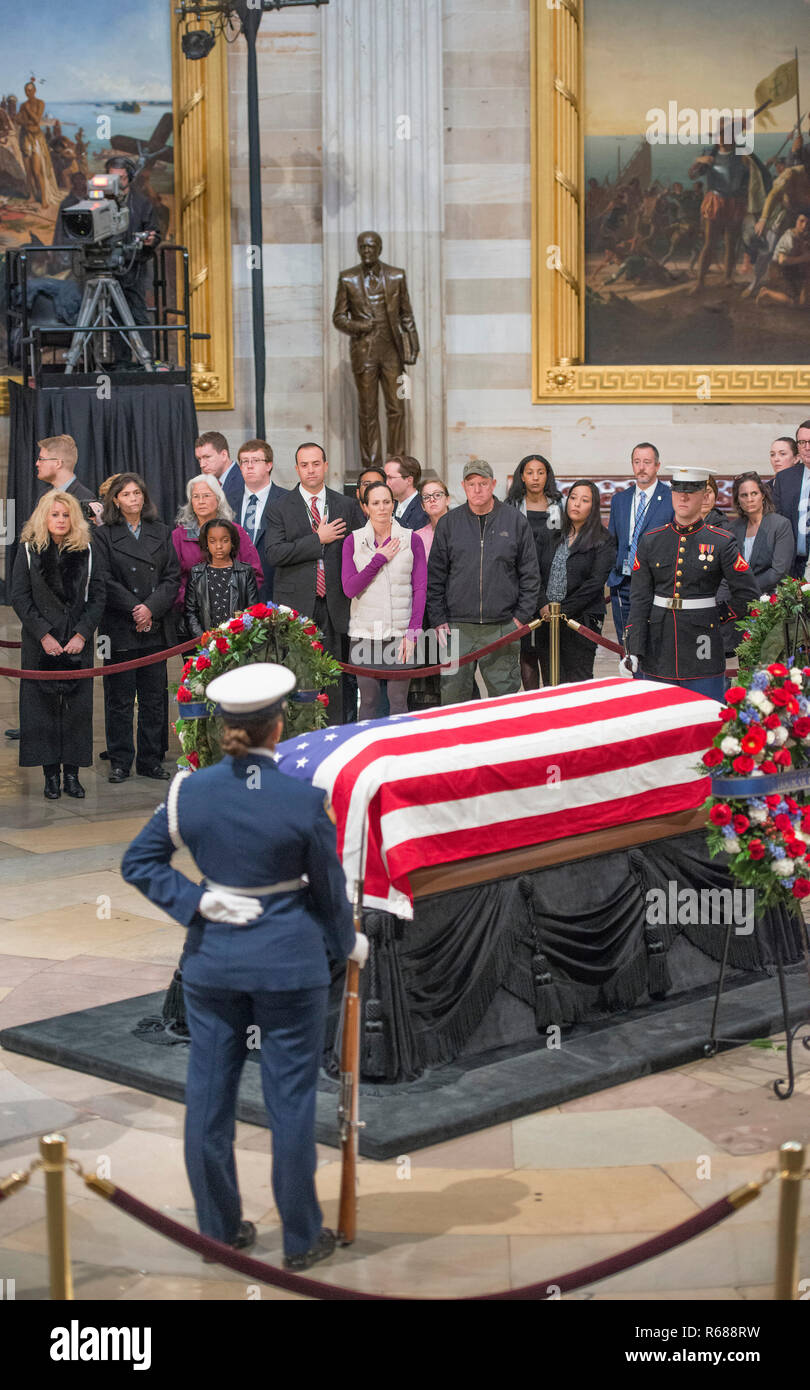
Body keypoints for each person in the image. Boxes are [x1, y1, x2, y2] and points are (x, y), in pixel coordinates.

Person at [121, 664, 366, 1267]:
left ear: (223, 727)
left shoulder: (189, 791)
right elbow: (330, 891)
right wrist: (346, 943)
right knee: (290, 1104)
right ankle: (302, 1240)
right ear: (277, 727)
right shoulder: (304, 800)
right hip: (289, 965)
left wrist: (197, 900)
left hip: (215, 966)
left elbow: (139, 863)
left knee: (207, 1099)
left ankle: (217, 1231)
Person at [622, 468, 759, 702]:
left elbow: (748, 594)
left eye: (691, 491)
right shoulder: (651, 541)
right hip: (659, 642)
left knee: (704, 716)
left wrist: (720, 616)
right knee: (659, 717)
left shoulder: (720, 541)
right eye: (678, 490)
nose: (683, 497)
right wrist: (633, 649)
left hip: (702, 643)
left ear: (704, 497)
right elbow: (639, 599)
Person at [11, 492, 105, 800]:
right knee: (41, 710)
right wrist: (44, 634)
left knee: (77, 710)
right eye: (55, 515)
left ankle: (73, 775)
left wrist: (81, 634)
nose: (61, 520)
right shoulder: (28, 550)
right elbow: (20, 597)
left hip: (77, 642)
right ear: (44, 517)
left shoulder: (88, 550)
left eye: (65, 515)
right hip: (41, 643)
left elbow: (98, 596)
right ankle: (50, 775)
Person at [426, 459, 540, 705]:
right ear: (463, 487)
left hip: (502, 626)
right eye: (471, 484)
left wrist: (519, 618)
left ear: (494, 485)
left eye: (483, 483)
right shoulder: (449, 523)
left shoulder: (515, 521)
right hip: (457, 628)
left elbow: (530, 575)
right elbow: (435, 577)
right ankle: (456, 744)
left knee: (504, 701)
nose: (477, 489)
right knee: (453, 699)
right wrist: (438, 619)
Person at [266, 442, 365, 724]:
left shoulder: (345, 505)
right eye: (304, 465)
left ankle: (335, 737)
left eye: (316, 464)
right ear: (296, 469)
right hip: (297, 604)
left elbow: (358, 551)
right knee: (299, 677)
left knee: (336, 678)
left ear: (325, 465)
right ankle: (301, 738)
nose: (311, 470)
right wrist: (316, 540)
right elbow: (274, 553)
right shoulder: (279, 508)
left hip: (336, 604)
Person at [94, 472, 180, 783]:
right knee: (118, 698)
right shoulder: (103, 535)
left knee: (153, 697)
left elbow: (172, 578)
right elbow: (102, 579)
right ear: (115, 500)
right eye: (127, 494)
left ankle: (150, 760)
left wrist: (150, 609)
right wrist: (135, 609)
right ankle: (119, 760)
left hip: (154, 625)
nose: (134, 498)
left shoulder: (161, 531)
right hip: (119, 625)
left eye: (137, 493)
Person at [332, 230, 419, 470]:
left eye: (371, 247)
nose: (367, 251)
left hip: (392, 352)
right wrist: (359, 325)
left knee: (396, 408)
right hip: (364, 353)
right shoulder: (347, 278)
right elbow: (338, 317)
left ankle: (397, 462)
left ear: (379, 249)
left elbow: (406, 314)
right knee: (368, 411)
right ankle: (371, 467)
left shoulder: (396, 276)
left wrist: (413, 345)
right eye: (363, 247)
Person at [341, 481, 426, 718]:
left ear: (393, 504)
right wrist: (378, 559)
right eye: (375, 503)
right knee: (368, 701)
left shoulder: (411, 539)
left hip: (400, 635)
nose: (382, 508)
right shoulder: (353, 541)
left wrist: (413, 632)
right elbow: (349, 589)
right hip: (365, 634)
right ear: (365, 507)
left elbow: (420, 589)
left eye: (386, 502)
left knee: (398, 702)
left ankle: (401, 752)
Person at [538, 481, 617, 685]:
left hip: (581, 620)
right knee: (550, 679)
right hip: (545, 619)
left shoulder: (603, 539)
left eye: (584, 500)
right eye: (573, 498)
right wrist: (543, 604)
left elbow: (595, 582)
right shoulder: (552, 533)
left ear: (593, 506)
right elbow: (535, 572)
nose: (576, 504)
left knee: (577, 680)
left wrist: (561, 610)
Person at [505, 455, 563, 690]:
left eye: (540, 472)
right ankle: (532, 699)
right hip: (522, 587)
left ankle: (552, 700)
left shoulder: (559, 504)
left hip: (554, 588)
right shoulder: (511, 507)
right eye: (530, 472)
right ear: (522, 476)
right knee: (526, 651)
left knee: (551, 652)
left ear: (547, 475)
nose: (535, 477)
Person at [607, 442, 674, 644]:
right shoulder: (620, 499)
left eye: (647, 462)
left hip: (656, 583)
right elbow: (613, 540)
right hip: (623, 582)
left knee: (652, 644)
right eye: (637, 462)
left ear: (657, 465)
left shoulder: (671, 497)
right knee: (626, 644)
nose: (642, 467)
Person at [720, 473, 794, 654]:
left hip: (768, 603)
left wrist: (745, 588)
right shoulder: (733, 528)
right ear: (738, 500)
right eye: (744, 495)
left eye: (754, 493)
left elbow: (779, 571)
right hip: (737, 605)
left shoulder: (780, 525)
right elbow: (727, 570)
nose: (750, 499)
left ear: (763, 495)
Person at [171, 474, 263, 616]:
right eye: (196, 496)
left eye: (207, 495)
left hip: (234, 615)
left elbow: (254, 573)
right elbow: (171, 578)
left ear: (218, 499)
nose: (201, 501)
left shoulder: (236, 532)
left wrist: (237, 605)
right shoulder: (178, 536)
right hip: (190, 614)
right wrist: (193, 603)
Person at [184, 519, 259, 639]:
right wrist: (204, 638)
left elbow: (252, 610)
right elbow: (190, 612)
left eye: (225, 541)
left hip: (238, 642)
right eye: (212, 541)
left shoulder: (244, 572)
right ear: (206, 544)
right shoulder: (197, 573)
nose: (219, 546)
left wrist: (239, 638)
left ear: (232, 542)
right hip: (206, 643)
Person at [234, 439, 287, 602]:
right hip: (236, 588)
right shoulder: (227, 501)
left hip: (274, 586)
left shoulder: (287, 500)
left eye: (256, 460)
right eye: (244, 461)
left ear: (269, 465)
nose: (249, 466)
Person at [772, 419, 810, 576]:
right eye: (802, 442)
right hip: (792, 566)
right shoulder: (784, 478)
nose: (807, 448)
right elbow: (776, 521)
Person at [35, 435, 101, 523]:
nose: (37, 463)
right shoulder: (43, 496)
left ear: (58, 463)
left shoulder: (85, 498)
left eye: (41, 459)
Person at [194, 431, 243, 512]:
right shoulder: (207, 483)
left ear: (224, 455)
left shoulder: (243, 481)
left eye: (207, 457)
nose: (202, 465)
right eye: (199, 459)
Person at [384, 455, 428, 531]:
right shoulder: (390, 506)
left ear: (409, 480)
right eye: (386, 478)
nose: (386, 483)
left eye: (390, 478)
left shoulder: (423, 510)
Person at [416, 477, 451, 559]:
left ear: (447, 500)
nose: (432, 499)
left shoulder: (461, 529)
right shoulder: (418, 537)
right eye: (426, 497)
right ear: (422, 506)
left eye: (437, 495)